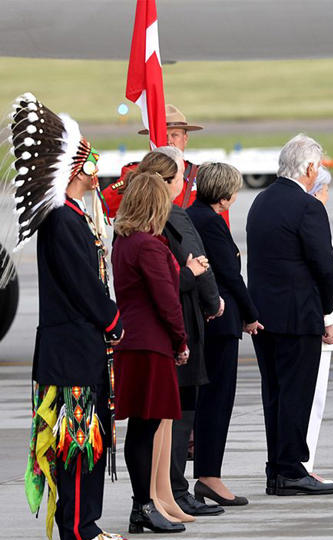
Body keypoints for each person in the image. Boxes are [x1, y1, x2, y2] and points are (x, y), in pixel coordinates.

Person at [12, 93, 127, 540]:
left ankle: (82, 524)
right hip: (73, 350)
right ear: (79, 169)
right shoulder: (63, 220)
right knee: (79, 439)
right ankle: (81, 526)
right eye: (92, 159)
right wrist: (113, 320)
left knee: (84, 437)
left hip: (78, 347)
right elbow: (83, 284)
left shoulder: (73, 216)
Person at [247, 134, 333, 496]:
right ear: (310, 167)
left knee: (275, 393)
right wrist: (326, 310)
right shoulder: (307, 207)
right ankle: (290, 469)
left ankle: (277, 468)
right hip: (298, 315)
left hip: (264, 316)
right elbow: (325, 267)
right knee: (296, 393)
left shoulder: (261, 201)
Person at [134, 148, 225, 517]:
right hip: (181, 320)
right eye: (178, 178)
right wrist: (214, 300)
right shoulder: (174, 216)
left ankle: (166, 491)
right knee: (179, 409)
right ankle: (174, 488)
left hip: (164, 321)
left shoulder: (140, 221)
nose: (182, 184)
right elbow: (196, 262)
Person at [112, 171, 189, 533]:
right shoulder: (148, 245)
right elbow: (166, 300)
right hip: (151, 342)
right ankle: (143, 504)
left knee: (141, 429)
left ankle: (141, 504)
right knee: (146, 427)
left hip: (133, 339)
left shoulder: (124, 241)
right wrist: (180, 340)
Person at [187, 162, 262, 505]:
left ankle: (205, 475)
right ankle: (209, 476)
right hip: (220, 323)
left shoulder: (192, 215)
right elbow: (231, 276)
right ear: (227, 194)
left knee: (205, 400)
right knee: (218, 400)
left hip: (205, 322)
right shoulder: (211, 223)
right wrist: (251, 315)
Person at [102, 104, 230, 224]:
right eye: (163, 135)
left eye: (175, 135)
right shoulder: (135, 171)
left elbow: (220, 223)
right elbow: (105, 206)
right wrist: (140, 177)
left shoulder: (200, 176)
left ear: (185, 139)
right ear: (152, 140)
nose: (169, 141)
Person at [303, 166, 333, 474]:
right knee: (311, 400)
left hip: (313, 322)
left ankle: (303, 462)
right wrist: (327, 318)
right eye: (324, 190)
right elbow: (324, 275)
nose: (327, 196)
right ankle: (303, 463)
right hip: (317, 326)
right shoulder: (312, 222)